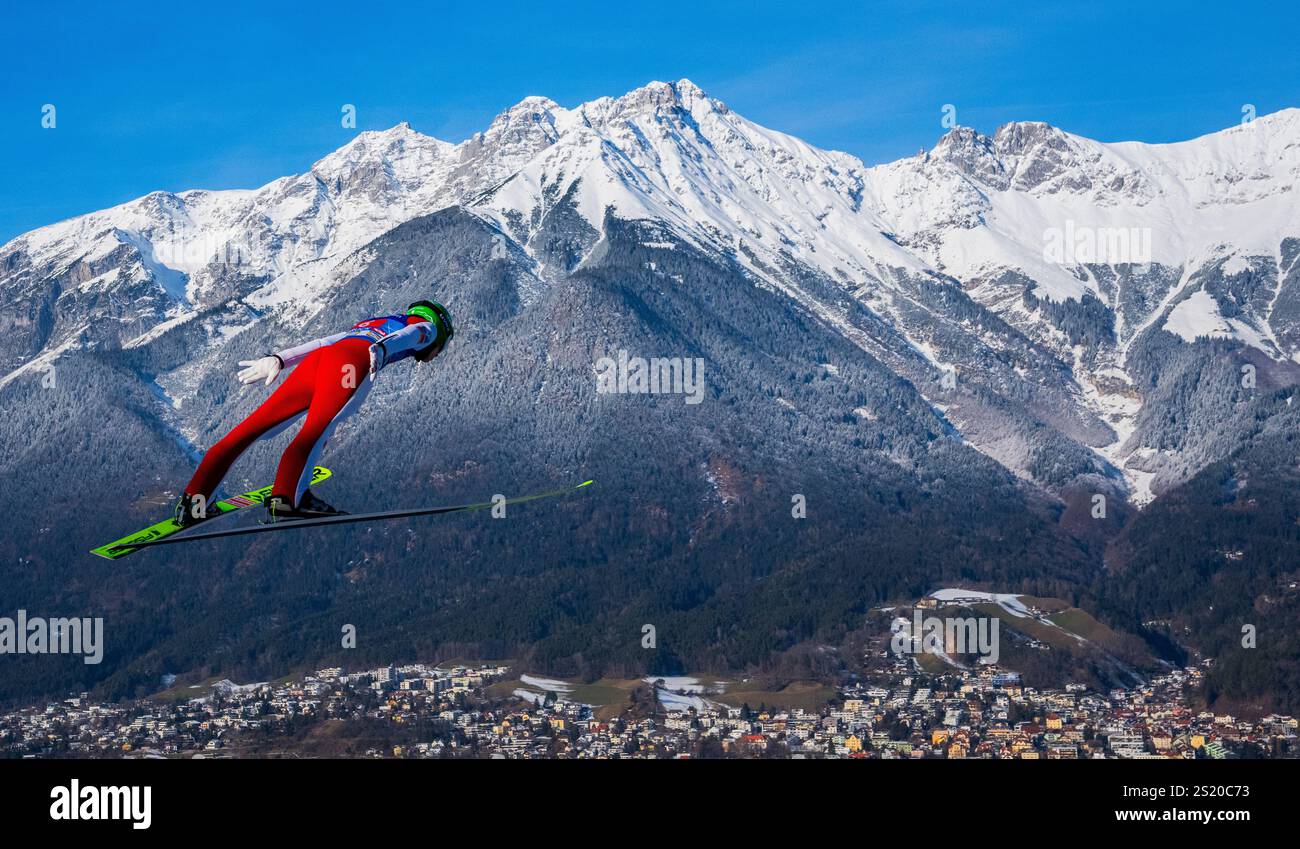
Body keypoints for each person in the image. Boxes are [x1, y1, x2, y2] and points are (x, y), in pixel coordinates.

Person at [175, 300, 454, 524]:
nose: (437, 354)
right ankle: (287, 498)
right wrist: (383, 349)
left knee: (252, 427)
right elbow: (414, 334)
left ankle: (195, 501)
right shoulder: (427, 329)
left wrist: (280, 359)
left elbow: (323, 342)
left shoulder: (376, 322)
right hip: (351, 363)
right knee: (316, 431)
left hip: (318, 361)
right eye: (442, 348)